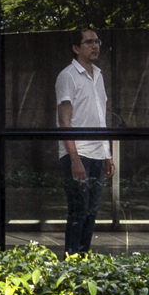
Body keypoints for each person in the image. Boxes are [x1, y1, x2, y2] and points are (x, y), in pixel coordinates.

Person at [54, 26, 112, 254]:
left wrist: (107, 155)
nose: (95, 45)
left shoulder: (98, 75)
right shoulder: (67, 76)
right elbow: (64, 120)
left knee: (92, 211)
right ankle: (72, 260)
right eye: (88, 42)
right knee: (78, 210)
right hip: (78, 153)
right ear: (76, 48)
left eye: (96, 41)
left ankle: (83, 259)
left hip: (98, 153)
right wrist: (74, 158)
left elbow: (100, 117)